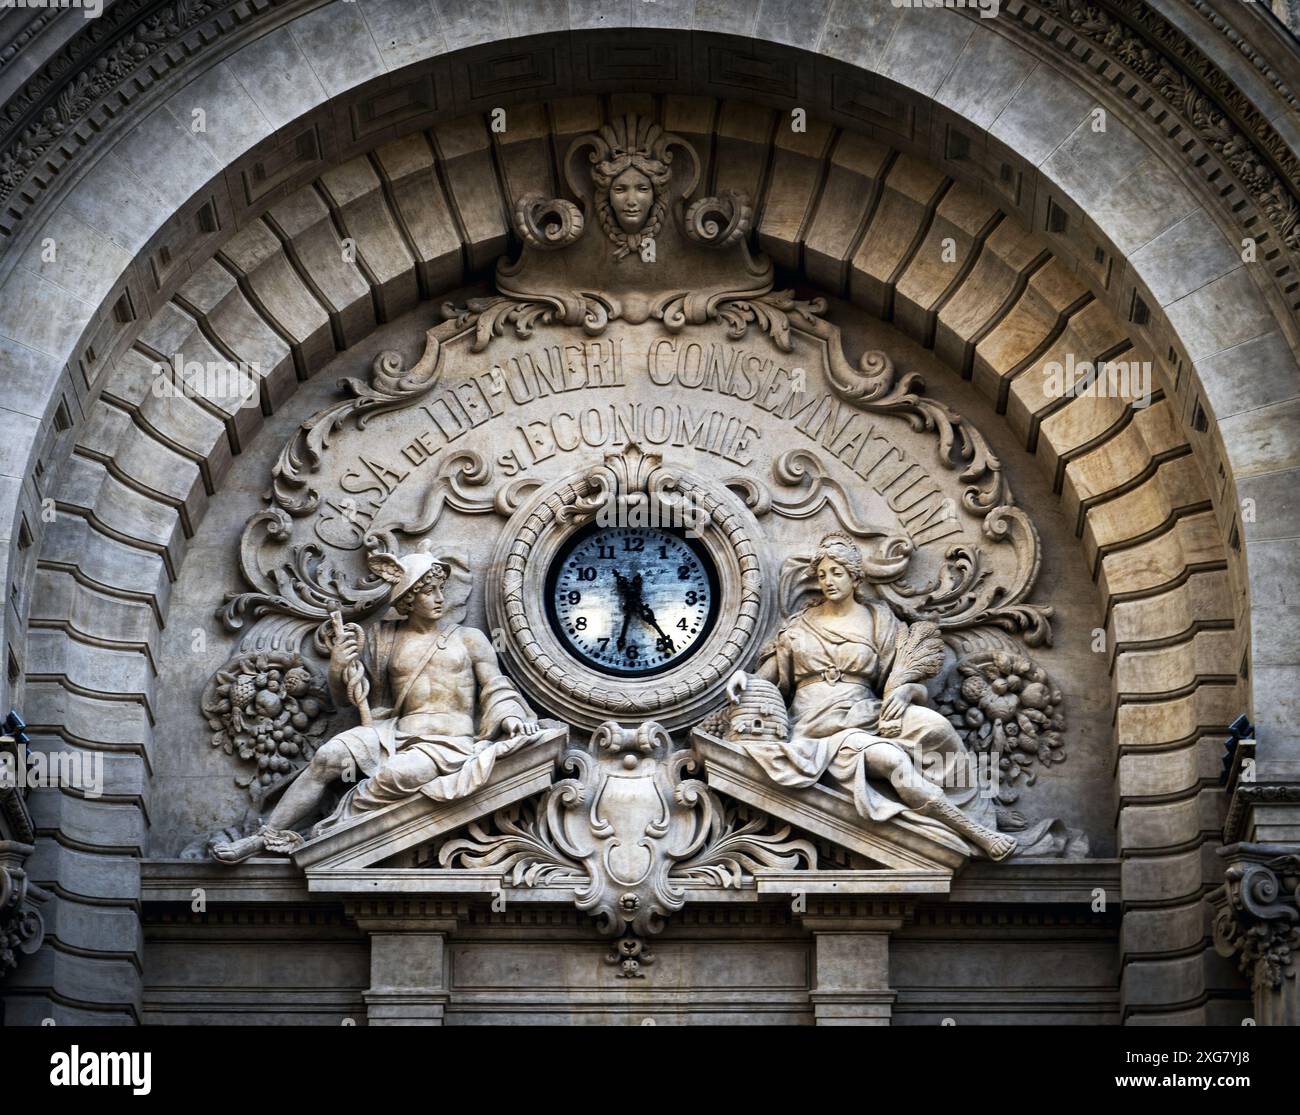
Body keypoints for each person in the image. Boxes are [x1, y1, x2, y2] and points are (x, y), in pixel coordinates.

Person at [212, 547, 541, 863]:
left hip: (449, 747)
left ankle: (322, 836)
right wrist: (340, 665)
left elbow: (495, 686)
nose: (440, 598)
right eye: (429, 592)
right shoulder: (385, 639)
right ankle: (264, 836)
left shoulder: (469, 639)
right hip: (389, 735)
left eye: (440, 589)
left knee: (391, 777)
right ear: (409, 600)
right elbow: (348, 698)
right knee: (329, 757)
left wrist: (511, 717)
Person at [726, 532, 1016, 861]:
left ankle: (977, 806)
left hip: (869, 714)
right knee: (893, 762)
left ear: (855, 576)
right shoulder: (800, 625)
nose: (828, 581)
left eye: (836, 573)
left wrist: (905, 693)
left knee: (936, 728)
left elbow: (913, 682)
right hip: (812, 725)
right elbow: (770, 679)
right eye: (822, 575)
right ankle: (973, 831)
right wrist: (743, 678)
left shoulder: (878, 620)